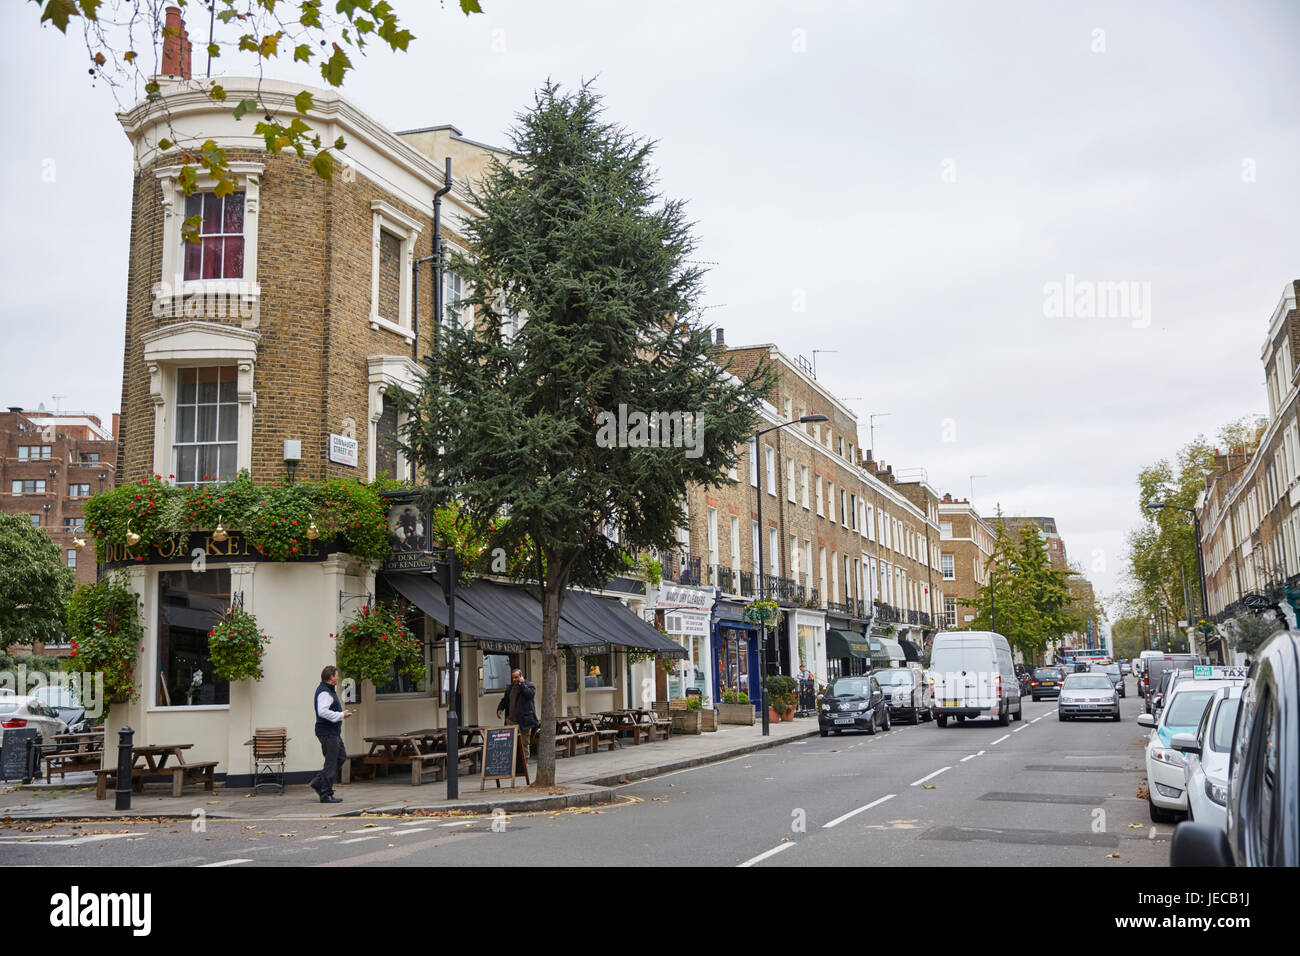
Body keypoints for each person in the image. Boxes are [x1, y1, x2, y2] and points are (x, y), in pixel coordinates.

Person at [309, 665, 352, 804]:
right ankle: (326, 794)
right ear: (331, 677)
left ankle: (317, 782)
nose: (338, 678)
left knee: (341, 757)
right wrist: (341, 715)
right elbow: (322, 712)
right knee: (331, 762)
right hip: (327, 732)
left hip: (332, 732)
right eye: (336, 675)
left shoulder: (328, 691)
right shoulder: (324, 692)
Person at [496, 668, 539, 765]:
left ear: (521, 676)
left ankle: (525, 763)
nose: (515, 679)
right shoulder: (510, 688)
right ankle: (511, 763)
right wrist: (500, 709)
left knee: (524, 743)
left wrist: (522, 684)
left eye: (517, 677)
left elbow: (529, 695)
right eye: (513, 678)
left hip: (524, 721)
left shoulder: (529, 686)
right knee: (509, 742)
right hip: (511, 720)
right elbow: (505, 700)